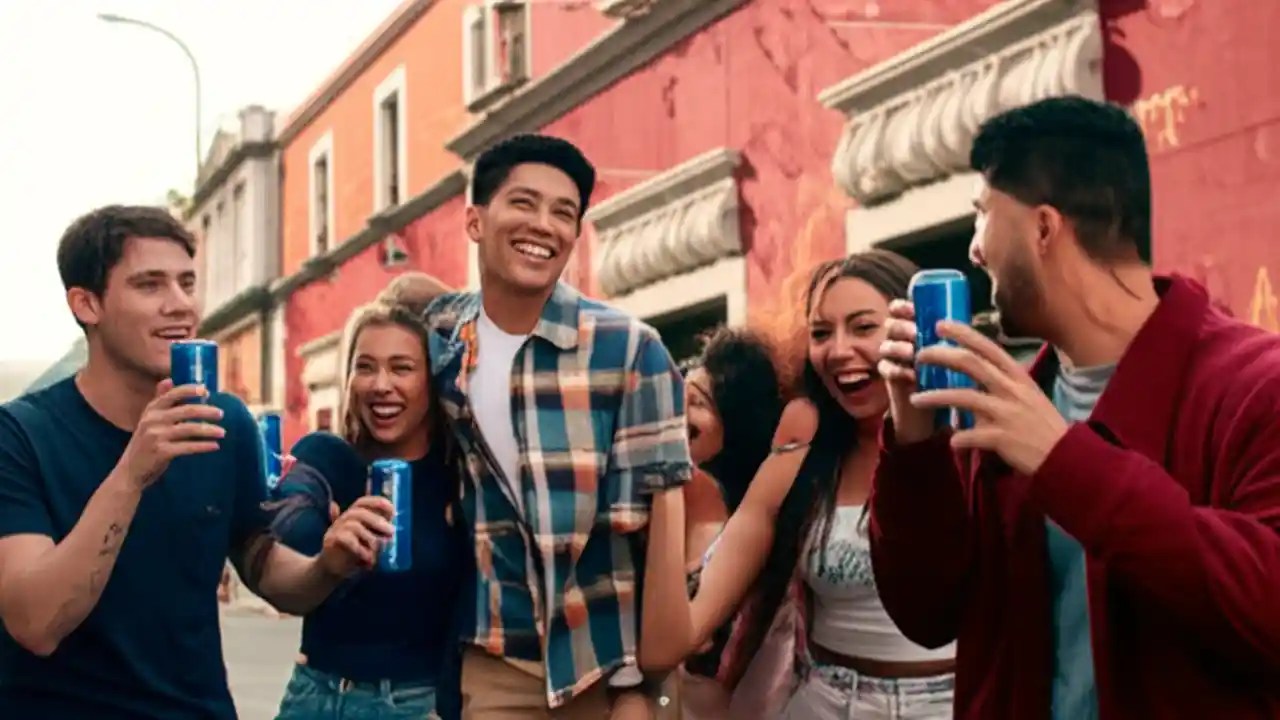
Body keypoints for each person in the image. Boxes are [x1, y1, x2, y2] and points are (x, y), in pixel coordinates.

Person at [874, 95, 1280, 718]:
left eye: (982, 215)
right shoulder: (1008, 405)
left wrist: (1065, 461)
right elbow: (927, 613)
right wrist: (911, 436)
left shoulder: (1257, 384)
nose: (974, 250)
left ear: (1043, 228)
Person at [0, 205, 389, 719]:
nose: (180, 305)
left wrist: (327, 566)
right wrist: (131, 473)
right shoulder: (20, 434)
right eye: (150, 285)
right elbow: (36, 624)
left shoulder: (222, 420)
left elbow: (262, 563)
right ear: (86, 304)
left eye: (187, 283)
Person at [420, 134, 692, 719]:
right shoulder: (441, 337)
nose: (543, 224)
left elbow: (655, 534)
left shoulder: (630, 350)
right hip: (495, 664)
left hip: (604, 670)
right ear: (475, 220)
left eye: (563, 212)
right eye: (523, 203)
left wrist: (643, 688)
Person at [642, 251, 957, 720]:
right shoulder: (808, 433)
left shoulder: (968, 430)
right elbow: (749, 526)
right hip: (825, 699)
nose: (839, 350)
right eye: (822, 333)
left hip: (948, 700)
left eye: (864, 327)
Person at [269, 295, 466, 719]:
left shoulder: (461, 477)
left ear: (431, 382)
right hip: (314, 698)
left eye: (402, 367)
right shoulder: (324, 458)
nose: (380, 384)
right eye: (365, 366)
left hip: (416, 705)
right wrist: (329, 557)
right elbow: (289, 544)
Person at [676, 327, 783, 718]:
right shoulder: (656, 500)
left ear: (735, 426)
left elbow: (684, 641)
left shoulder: (744, 528)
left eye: (697, 403)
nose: (677, 414)